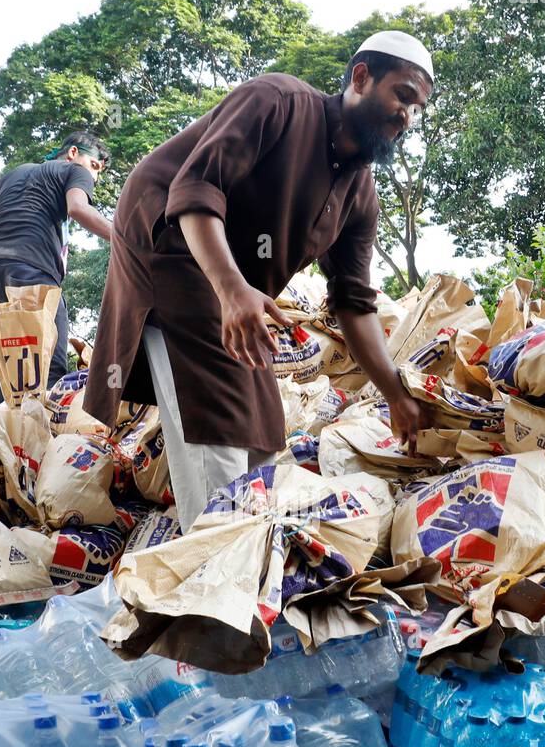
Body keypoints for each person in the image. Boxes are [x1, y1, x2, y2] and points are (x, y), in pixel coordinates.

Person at [85, 31, 434, 533]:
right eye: (402, 95)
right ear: (360, 78)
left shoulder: (360, 194)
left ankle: (240, 559)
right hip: (167, 241)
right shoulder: (279, 102)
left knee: (264, 433)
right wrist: (231, 289)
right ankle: (210, 570)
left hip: (235, 285)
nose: (407, 116)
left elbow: (354, 302)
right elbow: (195, 186)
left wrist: (397, 395)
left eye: (417, 108)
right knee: (219, 420)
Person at [0, 132, 112, 404]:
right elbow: (78, 209)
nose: (95, 178)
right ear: (73, 153)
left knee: (1, 356)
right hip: (32, 270)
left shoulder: (14, 173)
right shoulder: (75, 171)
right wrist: (126, 238)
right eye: (95, 166)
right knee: (49, 359)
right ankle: (47, 440)